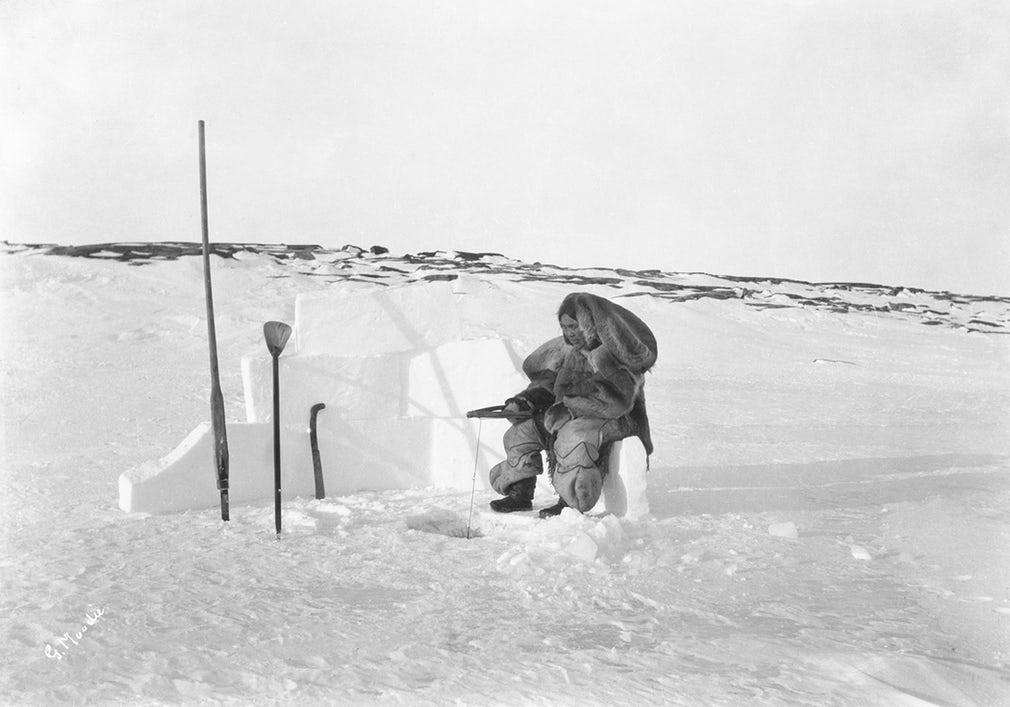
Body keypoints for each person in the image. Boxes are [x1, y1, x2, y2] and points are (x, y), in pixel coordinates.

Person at [488, 292, 657, 517]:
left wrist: (570, 408)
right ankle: (520, 493)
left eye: (574, 326)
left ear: (589, 324)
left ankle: (570, 501)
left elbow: (618, 400)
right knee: (521, 433)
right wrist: (525, 401)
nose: (569, 333)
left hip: (618, 418)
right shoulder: (574, 353)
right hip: (577, 412)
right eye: (564, 327)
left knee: (573, 437)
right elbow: (553, 385)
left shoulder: (613, 353)